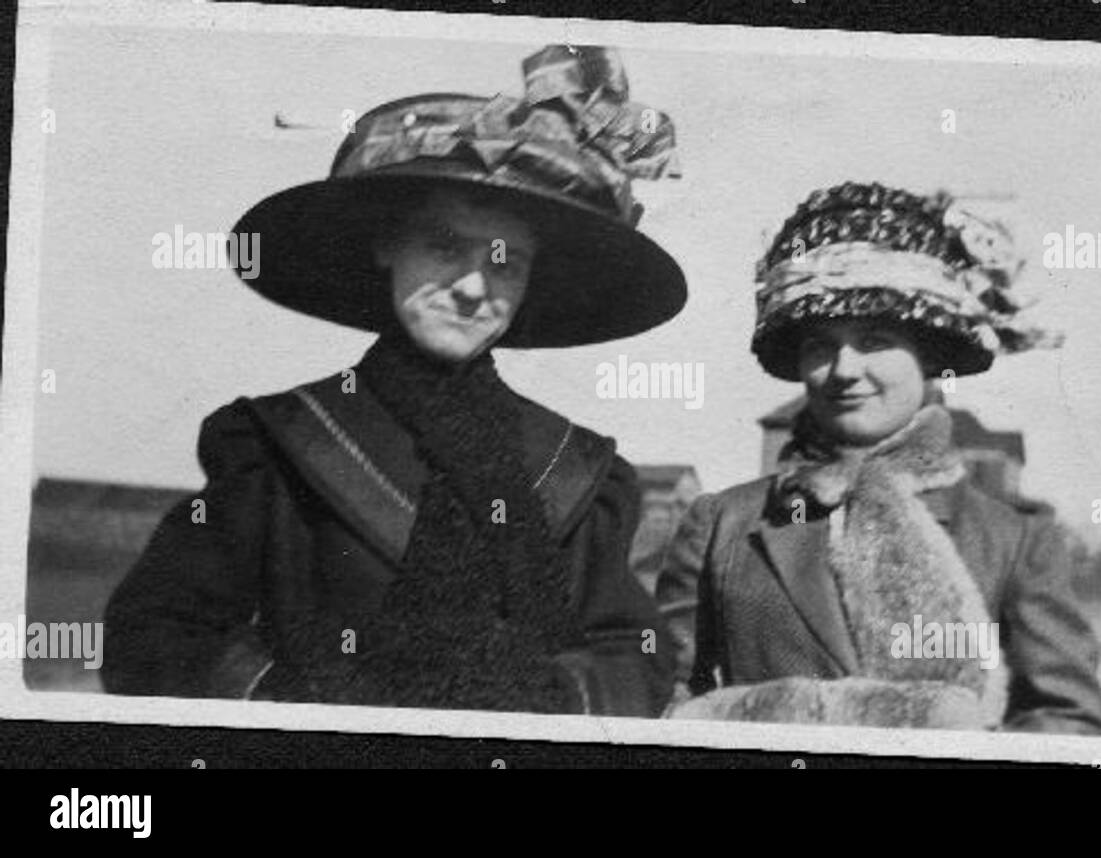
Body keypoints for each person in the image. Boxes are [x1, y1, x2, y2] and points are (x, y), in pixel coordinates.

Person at [102, 45, 685, 717]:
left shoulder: (578, 468)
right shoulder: (277, 445)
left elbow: (636, 649)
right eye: (445, 247)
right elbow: (153, 632)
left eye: (507, 262)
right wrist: (301, 702)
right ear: (386, 246)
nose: (473, 288)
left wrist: (544, 701)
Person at [655, 181, 1101, 734]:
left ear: (928, 356)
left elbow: (1068, 724)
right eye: (820, 345)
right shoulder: (722, 527)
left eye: (874, 339)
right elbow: (663, 701)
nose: (844, 369)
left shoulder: (1013, 540)